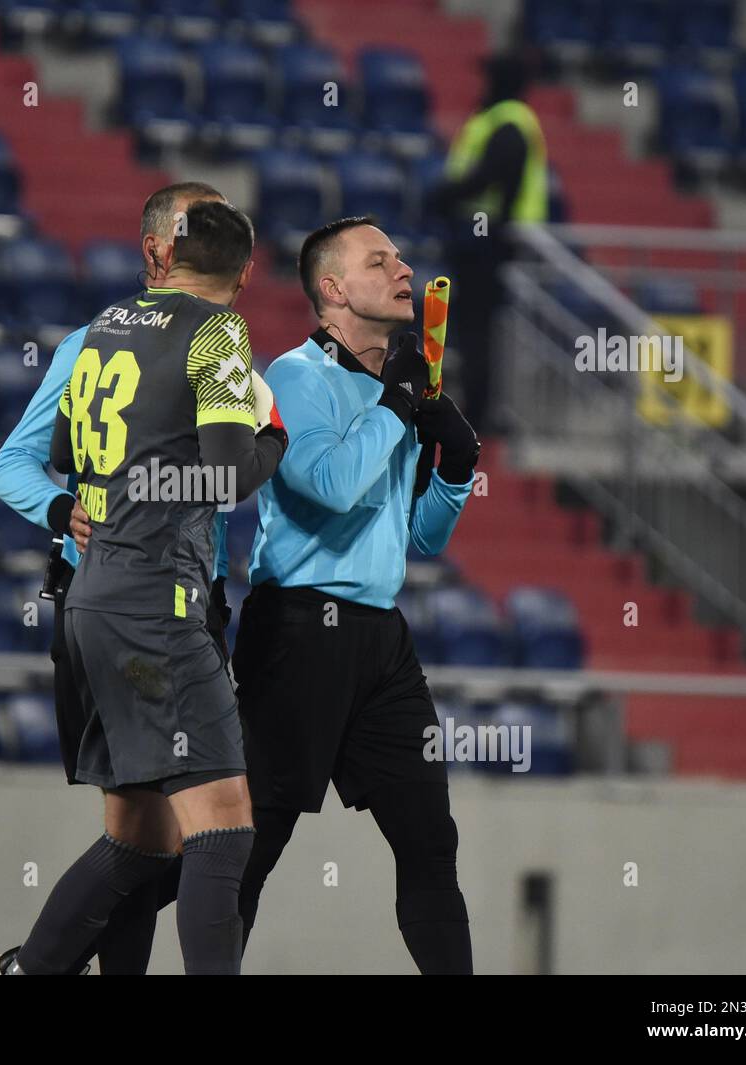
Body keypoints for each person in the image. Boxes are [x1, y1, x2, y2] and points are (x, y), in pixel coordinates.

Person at [0, 200, 286, 975]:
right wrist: (274, 439)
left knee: (140, 838)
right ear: (246, 272)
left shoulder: (102, 327)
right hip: (160, 603)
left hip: (94, 596)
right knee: (223, 827)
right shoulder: (218, 332)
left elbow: (61, 449)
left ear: (167, 256)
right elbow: (228, 473)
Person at [233, 217, 479, 973]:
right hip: (297, 630)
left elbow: (420, 534)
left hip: (379, 638)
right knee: (247, 847)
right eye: (381, 261)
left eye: (402, 257)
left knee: (432, 841)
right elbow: (334, 486)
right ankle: (63, 946)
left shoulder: (392, 387)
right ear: (333, 290)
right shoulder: (294, 376)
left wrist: (457, 467)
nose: (404, 269)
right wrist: (398, 409)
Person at [430, 52, 547, 433]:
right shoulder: (501, 119)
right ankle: (477, 411)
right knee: (474, 330)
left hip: (490, 243)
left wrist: (444, 195)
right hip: (483, 240)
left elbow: (490, 177)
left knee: (480, 331)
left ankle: (478, 416)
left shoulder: (509, 121)